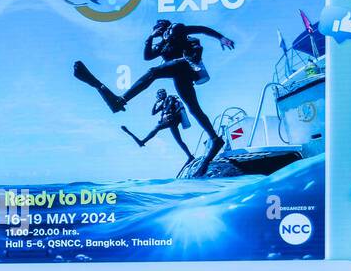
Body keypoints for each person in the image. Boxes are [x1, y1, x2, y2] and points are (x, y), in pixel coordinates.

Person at [73, 19, 235, 177]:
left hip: (185, 66)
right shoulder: (163, 44)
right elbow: (147, 56)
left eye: (157, 29)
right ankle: (215, 139)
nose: (156, 32)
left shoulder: (176, 28)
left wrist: (221, 38)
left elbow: (201, 29)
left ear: (162, 26)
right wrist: (150, 38)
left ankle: (120, 101)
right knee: (194, 109)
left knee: (153, 72)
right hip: (179, 75)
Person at [121, 88, 194, 164]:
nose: (160, 96)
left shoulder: (170, 97)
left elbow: (171, 104)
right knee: (179, 141)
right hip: (171, 122)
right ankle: (190, 156)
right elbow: (153, 113)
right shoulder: (163, 103)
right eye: (159, 94)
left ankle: (143, 141)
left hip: (172, 120)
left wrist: (165, 112)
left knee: (157, 127)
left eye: (161, 94)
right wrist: (155, 103)